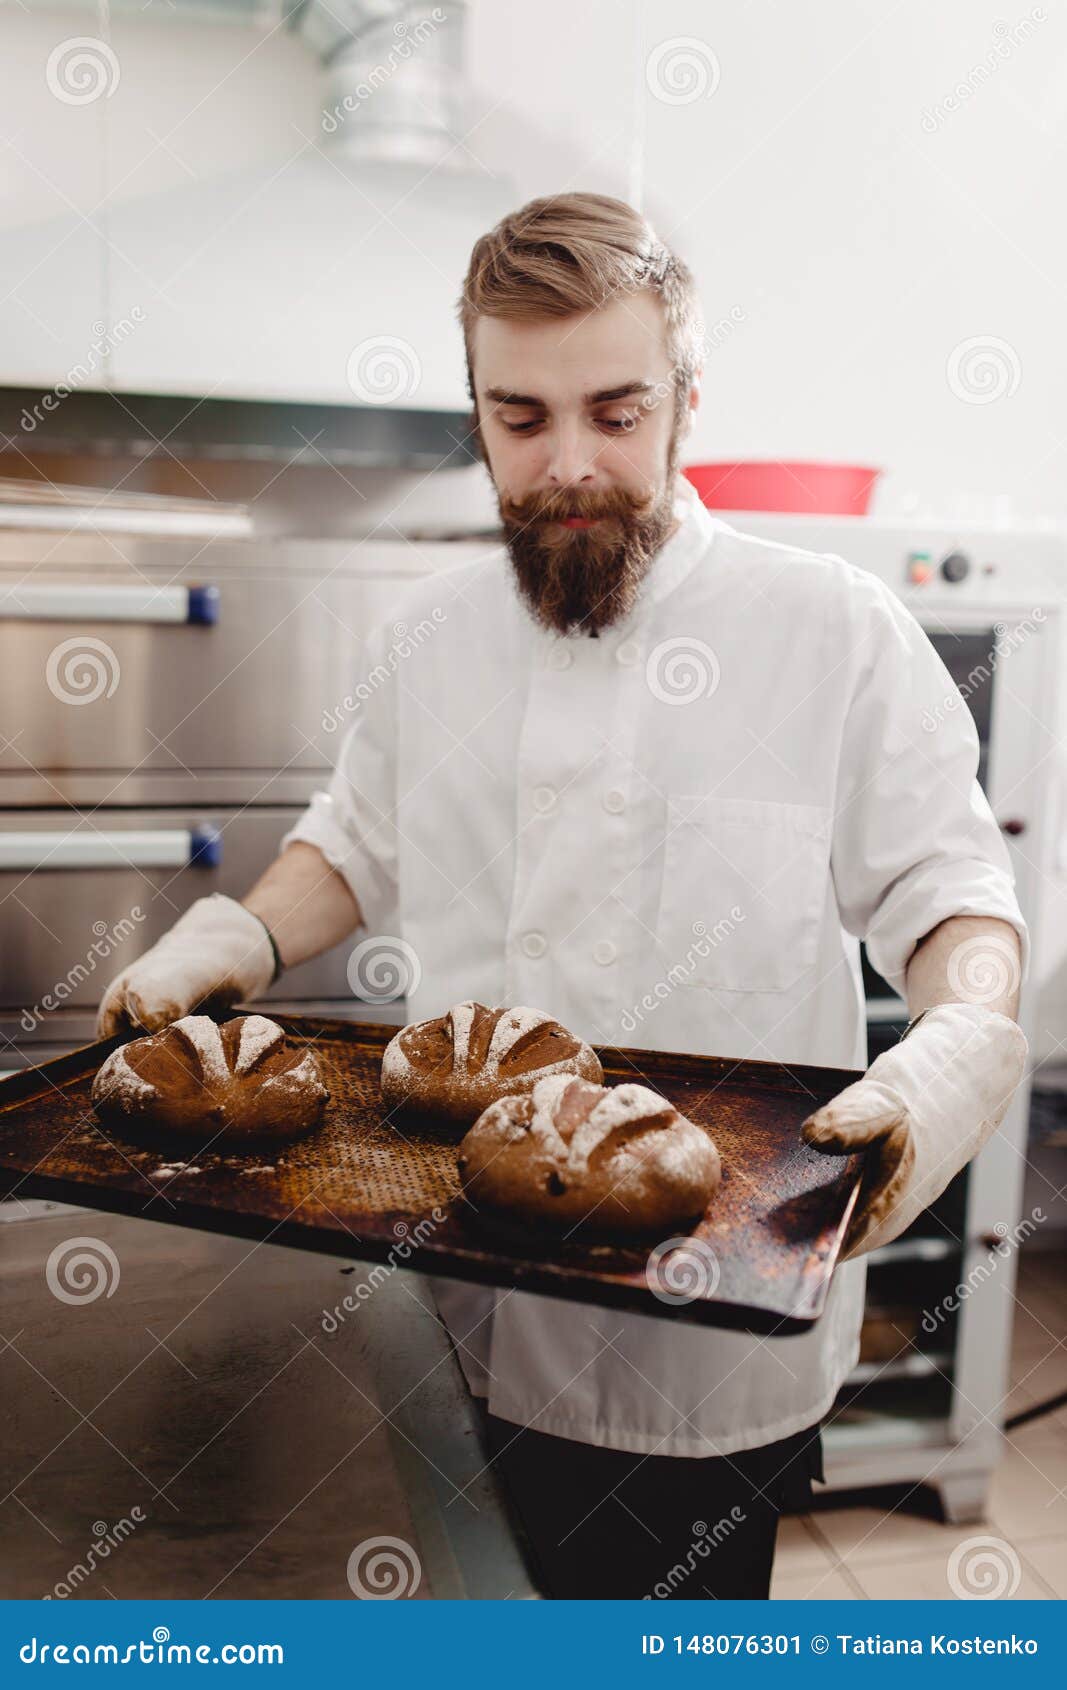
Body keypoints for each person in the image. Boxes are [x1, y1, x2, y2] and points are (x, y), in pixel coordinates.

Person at [97, 193, 1028, 1599]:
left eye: (615, 408)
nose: (571, 463)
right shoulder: (430, 643)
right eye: (521, 419)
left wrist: (958, 1044)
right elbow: (350, 846)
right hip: (449, 1289)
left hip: (702, 1334)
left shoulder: (827, 630)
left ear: (687, 402)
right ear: (477, 415)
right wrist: (233, 934)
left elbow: (956, 897)